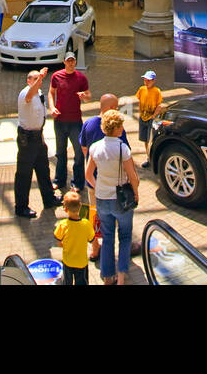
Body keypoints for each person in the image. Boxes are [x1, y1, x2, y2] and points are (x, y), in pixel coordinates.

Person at [85, 109, 139, 285]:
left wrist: (98, 186)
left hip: (102, 199)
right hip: (121, 200)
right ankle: (122, 277)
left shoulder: (95, 148)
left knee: (107, 238)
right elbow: (132, 177)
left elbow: (88, 175)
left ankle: (108, 277)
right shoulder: (123, 149)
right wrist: (136, 194)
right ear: (117, 129)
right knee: (125, 237)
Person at [14, 67, 59, 219]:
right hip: (27, 139)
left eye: (38, 79)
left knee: (43, 170)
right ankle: (21, 207)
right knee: (24, 174)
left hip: (38, 137)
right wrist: (40, 78)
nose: (38, 81)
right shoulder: (25, 94)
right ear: (28, 81)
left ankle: (49, 198)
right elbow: (29, 95)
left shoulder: (39, 93)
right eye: (34, 79)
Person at [49, 52, 91, 192]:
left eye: (73, 61)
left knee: (79, 153)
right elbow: (51, 92)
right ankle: (59, 180)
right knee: (60, 152)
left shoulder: (81, 78)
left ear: (75, 62)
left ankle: (78, 182)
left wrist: (84, 97)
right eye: (69, 61)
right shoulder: (56, 76)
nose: (71, 63)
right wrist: (52, 107)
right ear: (64, 62)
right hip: (60, 121)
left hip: (75, 121)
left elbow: (88, 95)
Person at [53, 189, 95, 286]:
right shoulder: (86, 224)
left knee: (67, 281)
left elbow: (58, 242)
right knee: (82, 281)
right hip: (82, 261)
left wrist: (64, 246)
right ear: (80, 206)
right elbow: (92, 240)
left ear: (65, 209)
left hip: (68, 260)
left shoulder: (63, 225)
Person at [80, 93, 130, 164]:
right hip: (112, 170)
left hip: (93, 170)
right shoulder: (117, 126)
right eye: (116, 108)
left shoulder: (88, 123)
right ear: (112, 108)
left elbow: (84, 147)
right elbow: (126, 152)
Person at [134, 71, 163, 171]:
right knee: (145, 140)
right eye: (145, 80)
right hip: (143, 117)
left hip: (151, 119)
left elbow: (159, 106)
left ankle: (152, 158)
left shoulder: (156, 91)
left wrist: (153, 117)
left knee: (151, 139)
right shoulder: (141, 89)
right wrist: (140, 113)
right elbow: (139, 100)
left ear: (153, 81)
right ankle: (148, 158)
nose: (146, 82)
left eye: (148, 80)